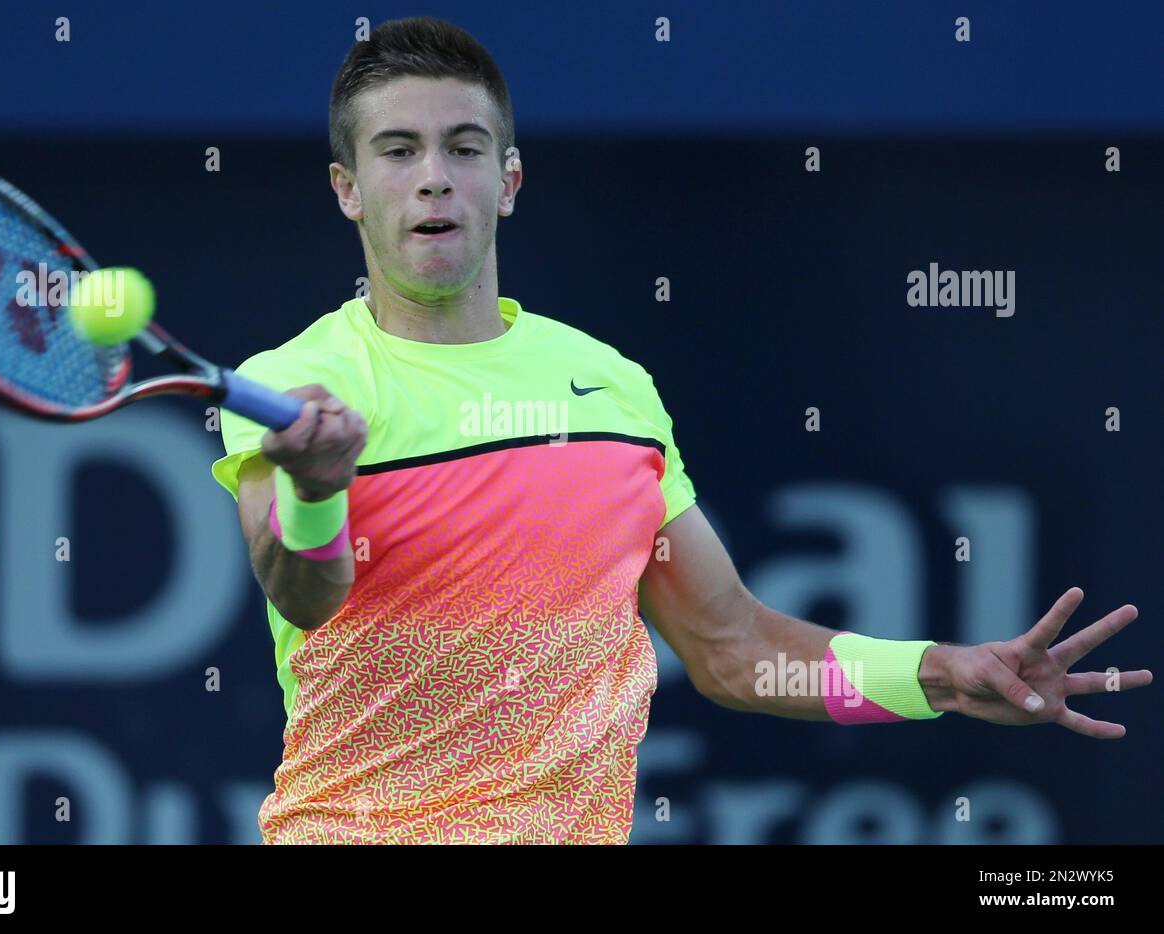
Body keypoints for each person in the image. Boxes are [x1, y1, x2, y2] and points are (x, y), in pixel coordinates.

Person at [210, 16, 1152, 844]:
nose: (432, 181)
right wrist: (316, 489)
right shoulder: (295, 387)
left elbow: (732, 649)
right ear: (347, 188)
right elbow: (302, 596)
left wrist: (939, 676)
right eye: (397, 151)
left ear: (509, 181)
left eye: (463, 148)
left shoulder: (611, 389)